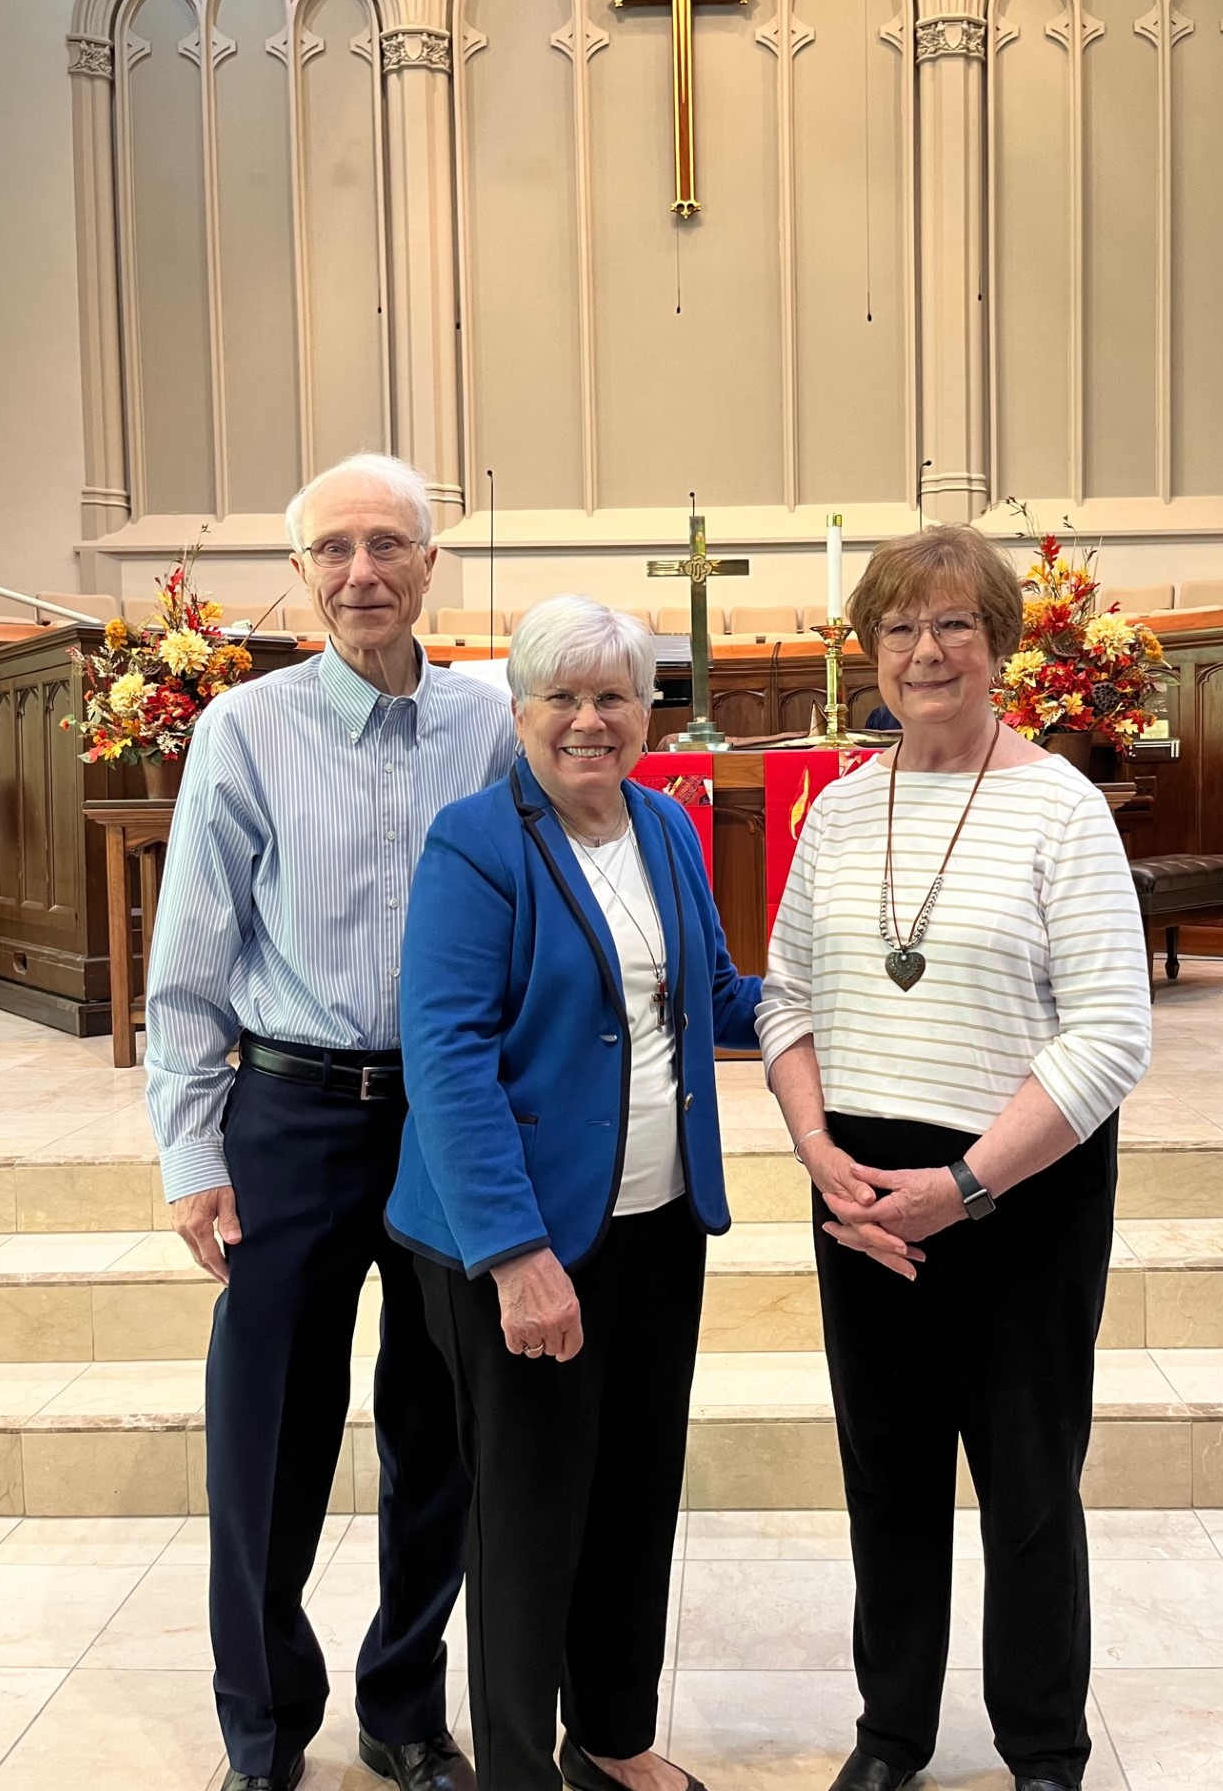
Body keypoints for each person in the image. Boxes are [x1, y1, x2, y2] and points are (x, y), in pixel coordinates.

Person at [756, 525, 1151, 1791]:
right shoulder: (836, 812)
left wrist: (968, 1184)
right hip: (863, 1194)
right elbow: (784, 999)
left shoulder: (1060, 807)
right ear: (870, 651)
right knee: (889, 1478)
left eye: (953, 624)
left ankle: (1043, 1746)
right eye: (899, 628)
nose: (924, 650)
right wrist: (820, 1153)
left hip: (1019, 1193)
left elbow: (1110, 1034)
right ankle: (892, 1734)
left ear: (999, 643)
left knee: (1028, 1486)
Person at [146, 452, 516, 1791]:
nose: (364, 573)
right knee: (268, 1435)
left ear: (429, 565)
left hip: (444, 1117)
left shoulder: (492, 726)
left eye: (388, 545)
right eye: (336, 550)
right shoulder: (245, 731)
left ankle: (405, 1707)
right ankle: (263, 1724)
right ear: (300, 573)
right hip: (290, 1114)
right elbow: (189, 964)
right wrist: (194, 1154)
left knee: (441, 1430)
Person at [388, 595, 762, 1791]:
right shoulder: (476, 844)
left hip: (657, 1222)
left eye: (613, 696)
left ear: (649, 713)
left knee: (635, 1495)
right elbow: (446, 1058)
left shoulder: (665, 827)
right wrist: (515, 1254)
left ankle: (609, 1738)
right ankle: (517, 1770)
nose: (589, 721)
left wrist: (844, 1006)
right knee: (528, 1518)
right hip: (521, 1237)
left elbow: (714, 993)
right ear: (519, 713)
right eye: (562, 696)